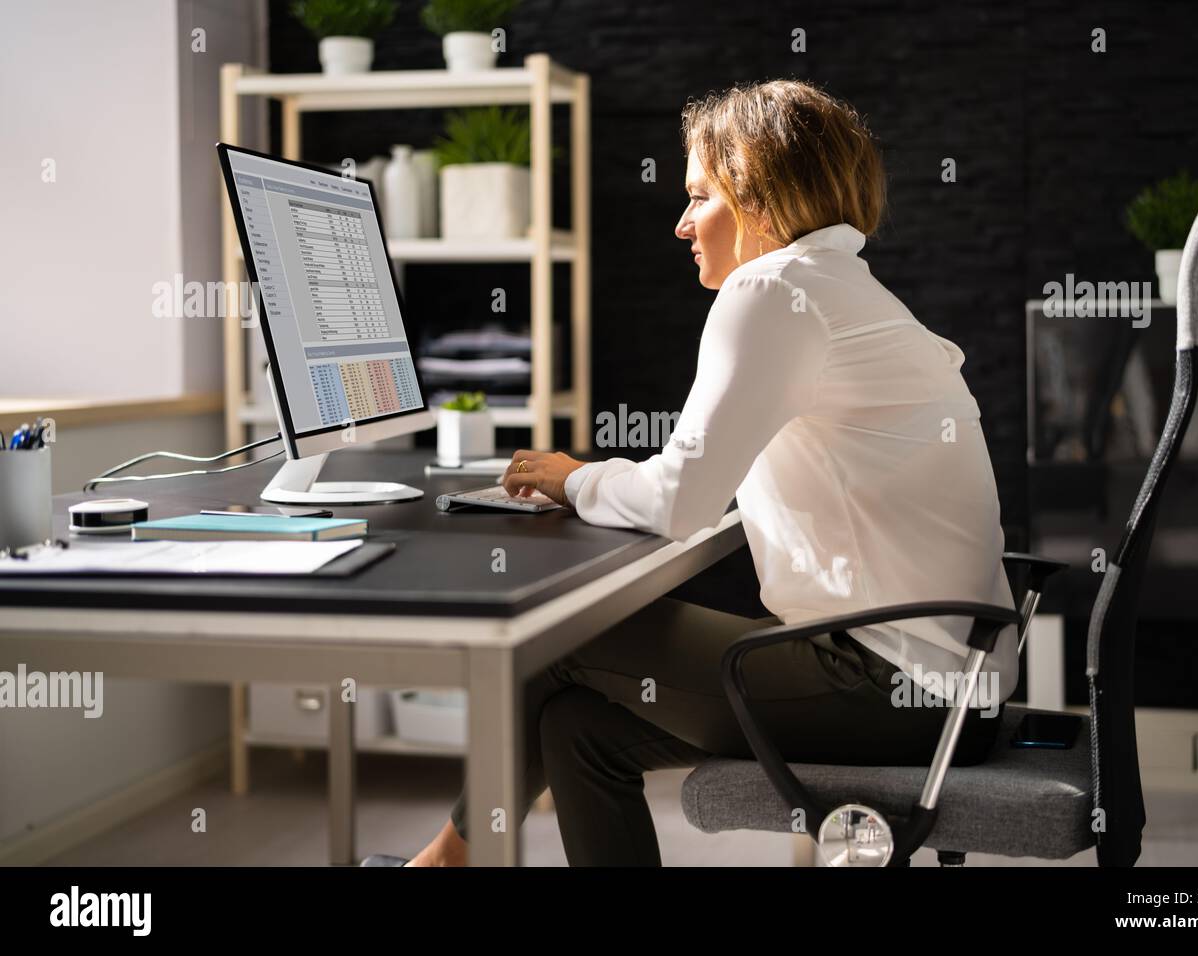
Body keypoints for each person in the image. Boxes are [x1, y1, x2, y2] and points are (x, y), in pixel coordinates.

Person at [364, 78, 1017, 867]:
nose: (681, 224)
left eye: (701, 196)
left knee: (546, 641)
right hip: (954, 687)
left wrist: (574, 477)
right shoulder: (852, 294)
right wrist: (616, 480)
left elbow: (679, 499)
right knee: (576, 725)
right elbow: (707, 475)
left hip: (891, 687)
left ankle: (441, 862)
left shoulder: (772, 288)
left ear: (761, 195)